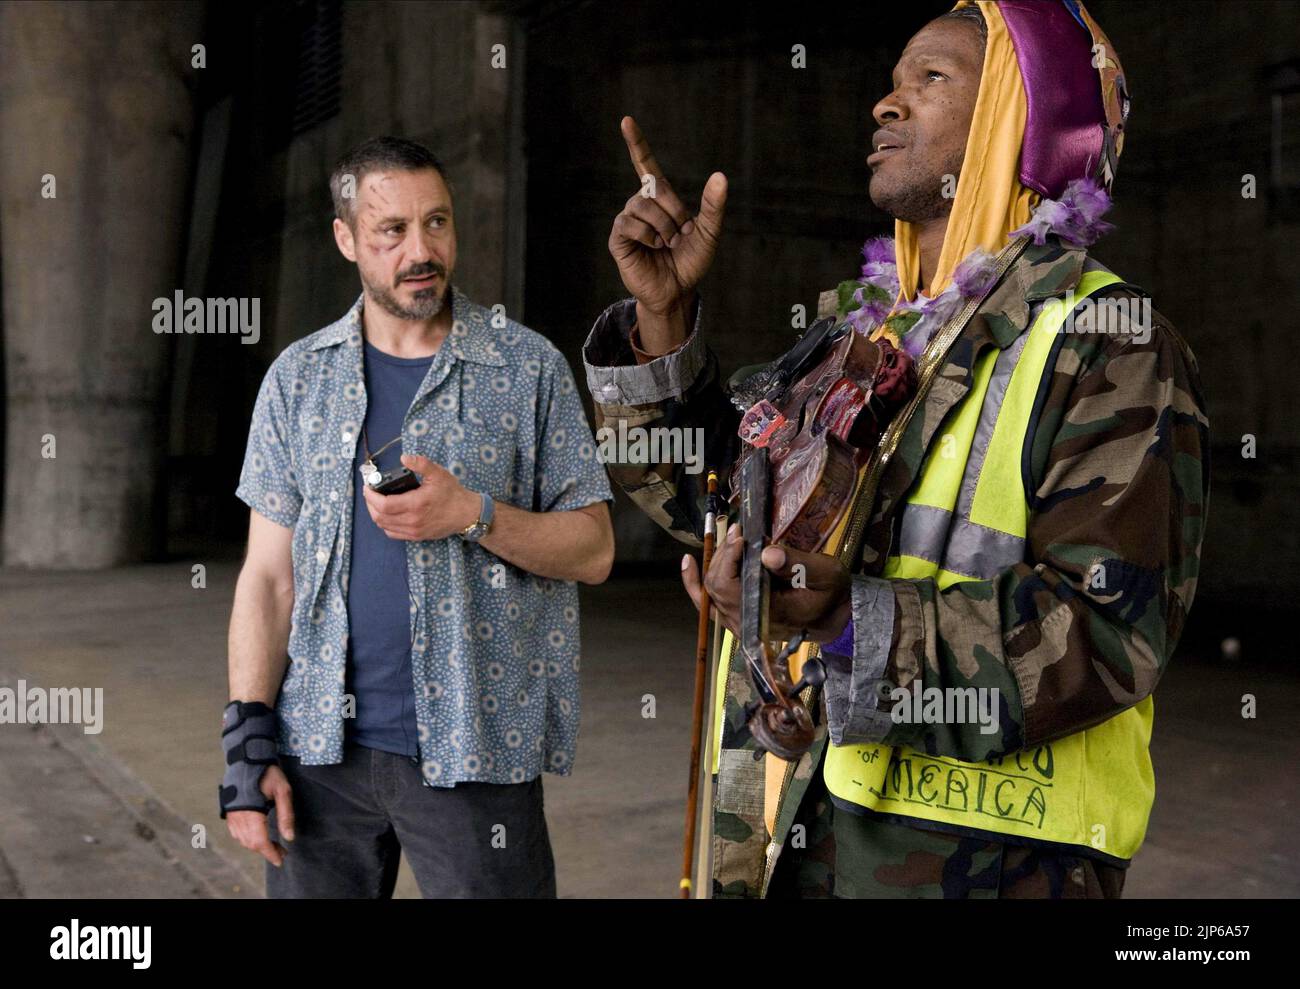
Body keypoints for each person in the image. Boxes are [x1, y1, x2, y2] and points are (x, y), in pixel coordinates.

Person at [582, 1, 1208, 898]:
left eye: (931, 79)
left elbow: (1110, 632)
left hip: (983, 870)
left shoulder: (1106, 338)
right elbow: (713, 500)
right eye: (890, 82)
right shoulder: (859, 332)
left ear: (1016, 116)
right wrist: (661, 316)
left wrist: (843, 622)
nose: (885, 103)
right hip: (794, 835)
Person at [221, 135, 615, 898]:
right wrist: (247, 744)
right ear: (346, 240)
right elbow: (268, 578)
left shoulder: (526, 367)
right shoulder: (297, 380)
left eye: (436, 223)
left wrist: (473, 512)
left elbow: (595, 549)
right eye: (391, 231)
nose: (421, 250)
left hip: (473, 752)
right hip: (316, 754)